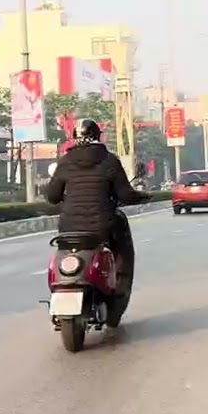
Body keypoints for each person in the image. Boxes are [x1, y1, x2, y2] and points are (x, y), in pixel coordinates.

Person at [44, 119, 149, 325]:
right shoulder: (109, 160)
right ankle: (117, 299)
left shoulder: (65, 161)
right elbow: (125, 194)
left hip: (68, 227)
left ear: (75, 137)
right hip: (103, 226)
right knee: (123, 250)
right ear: (98, 136)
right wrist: (144, 196)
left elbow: (52, 197)